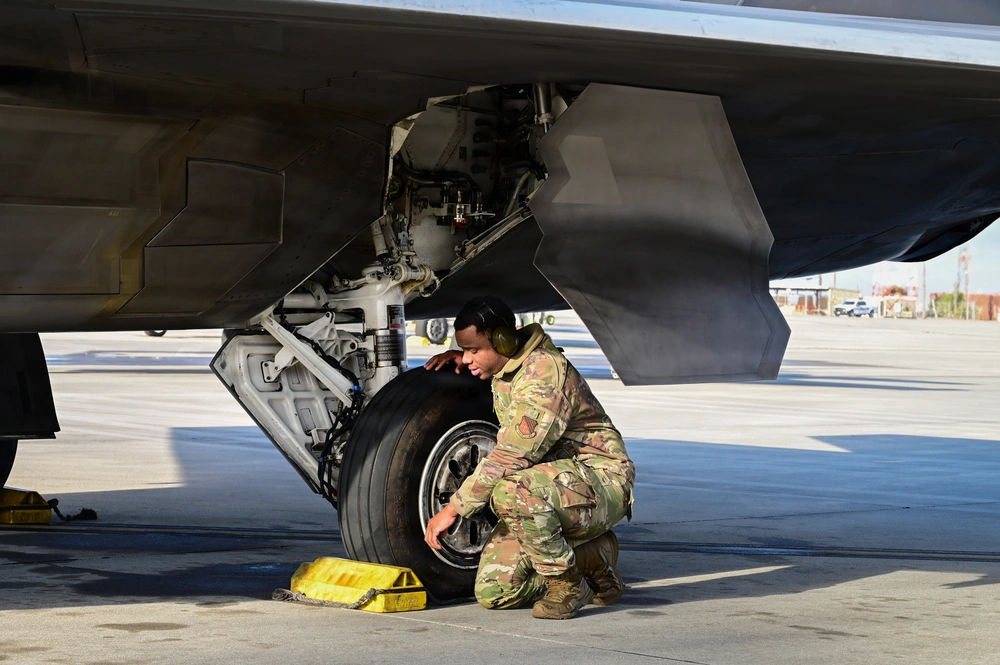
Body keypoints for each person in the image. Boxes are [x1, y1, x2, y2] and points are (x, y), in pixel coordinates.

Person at [423, 296, 634, 619]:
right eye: (464, 349)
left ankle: (567, 583)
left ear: (504, 341)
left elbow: (510, 456)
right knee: (495, 592)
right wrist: (470, 359)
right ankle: (592, 556)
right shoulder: (506, 362)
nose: (467, 358)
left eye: (474, 349)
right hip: (552, 486)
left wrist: (453, 509)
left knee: (511, 491)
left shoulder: (544, 374)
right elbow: (496, 369)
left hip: (601, 480)